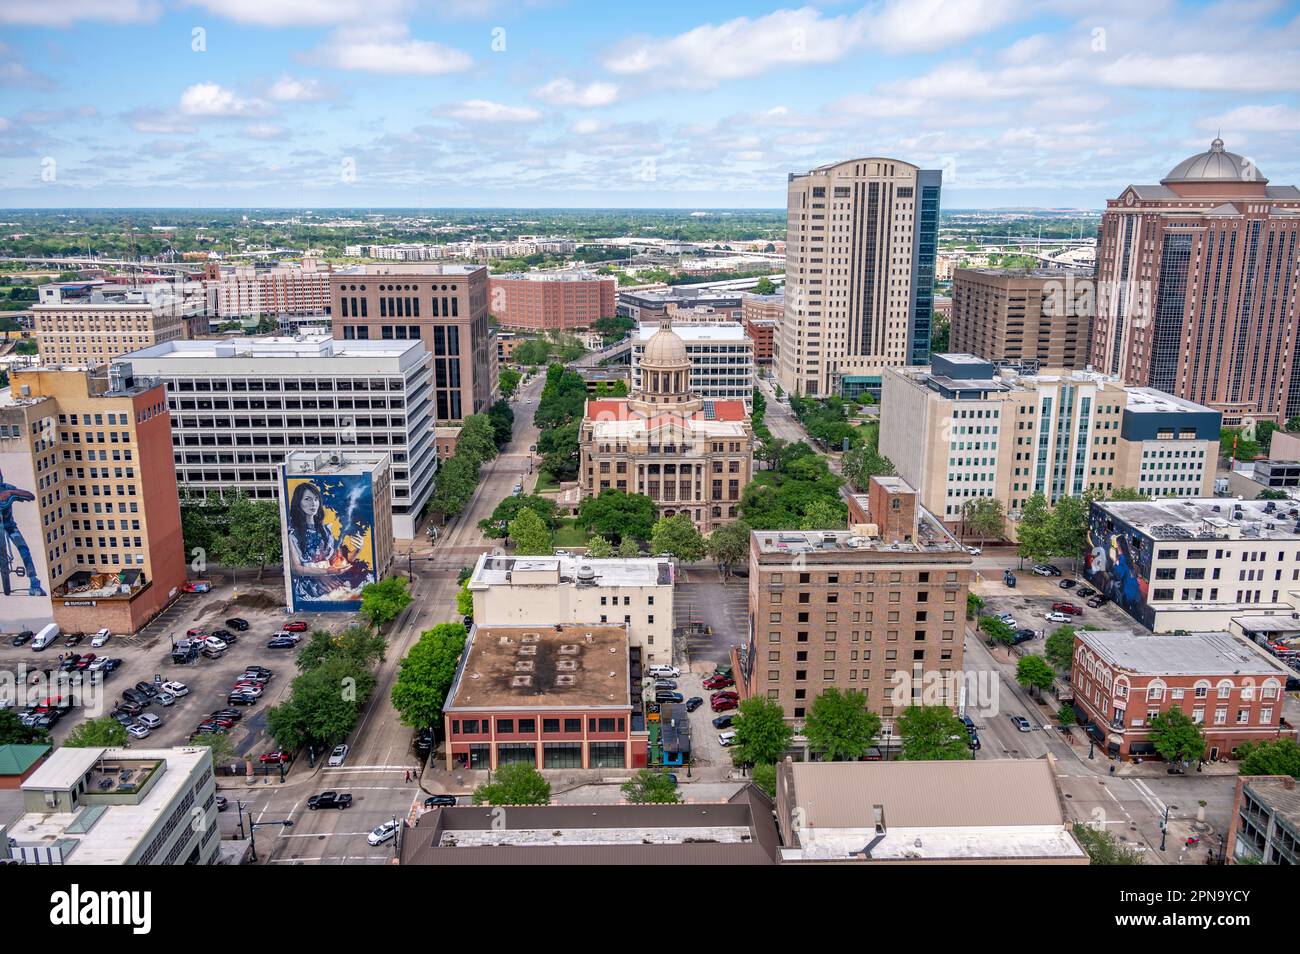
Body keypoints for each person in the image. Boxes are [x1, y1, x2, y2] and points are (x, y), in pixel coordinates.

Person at [285, 481, 371, 604]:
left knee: (361, 594)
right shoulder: (292, 534)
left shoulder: (325, 530)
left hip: (331, 583)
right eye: (307, 499)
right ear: (298, 503)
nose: (313, 503)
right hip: (308, 590)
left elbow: (335, 562)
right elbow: (296, 569)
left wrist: (357, 550)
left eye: (315, 499)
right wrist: (325, 573)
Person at [0, 469, 45, 597]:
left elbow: (30, 495)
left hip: (9, 527)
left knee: (23, 548)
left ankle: (34, 582)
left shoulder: (7, 488)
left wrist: (12, 493)